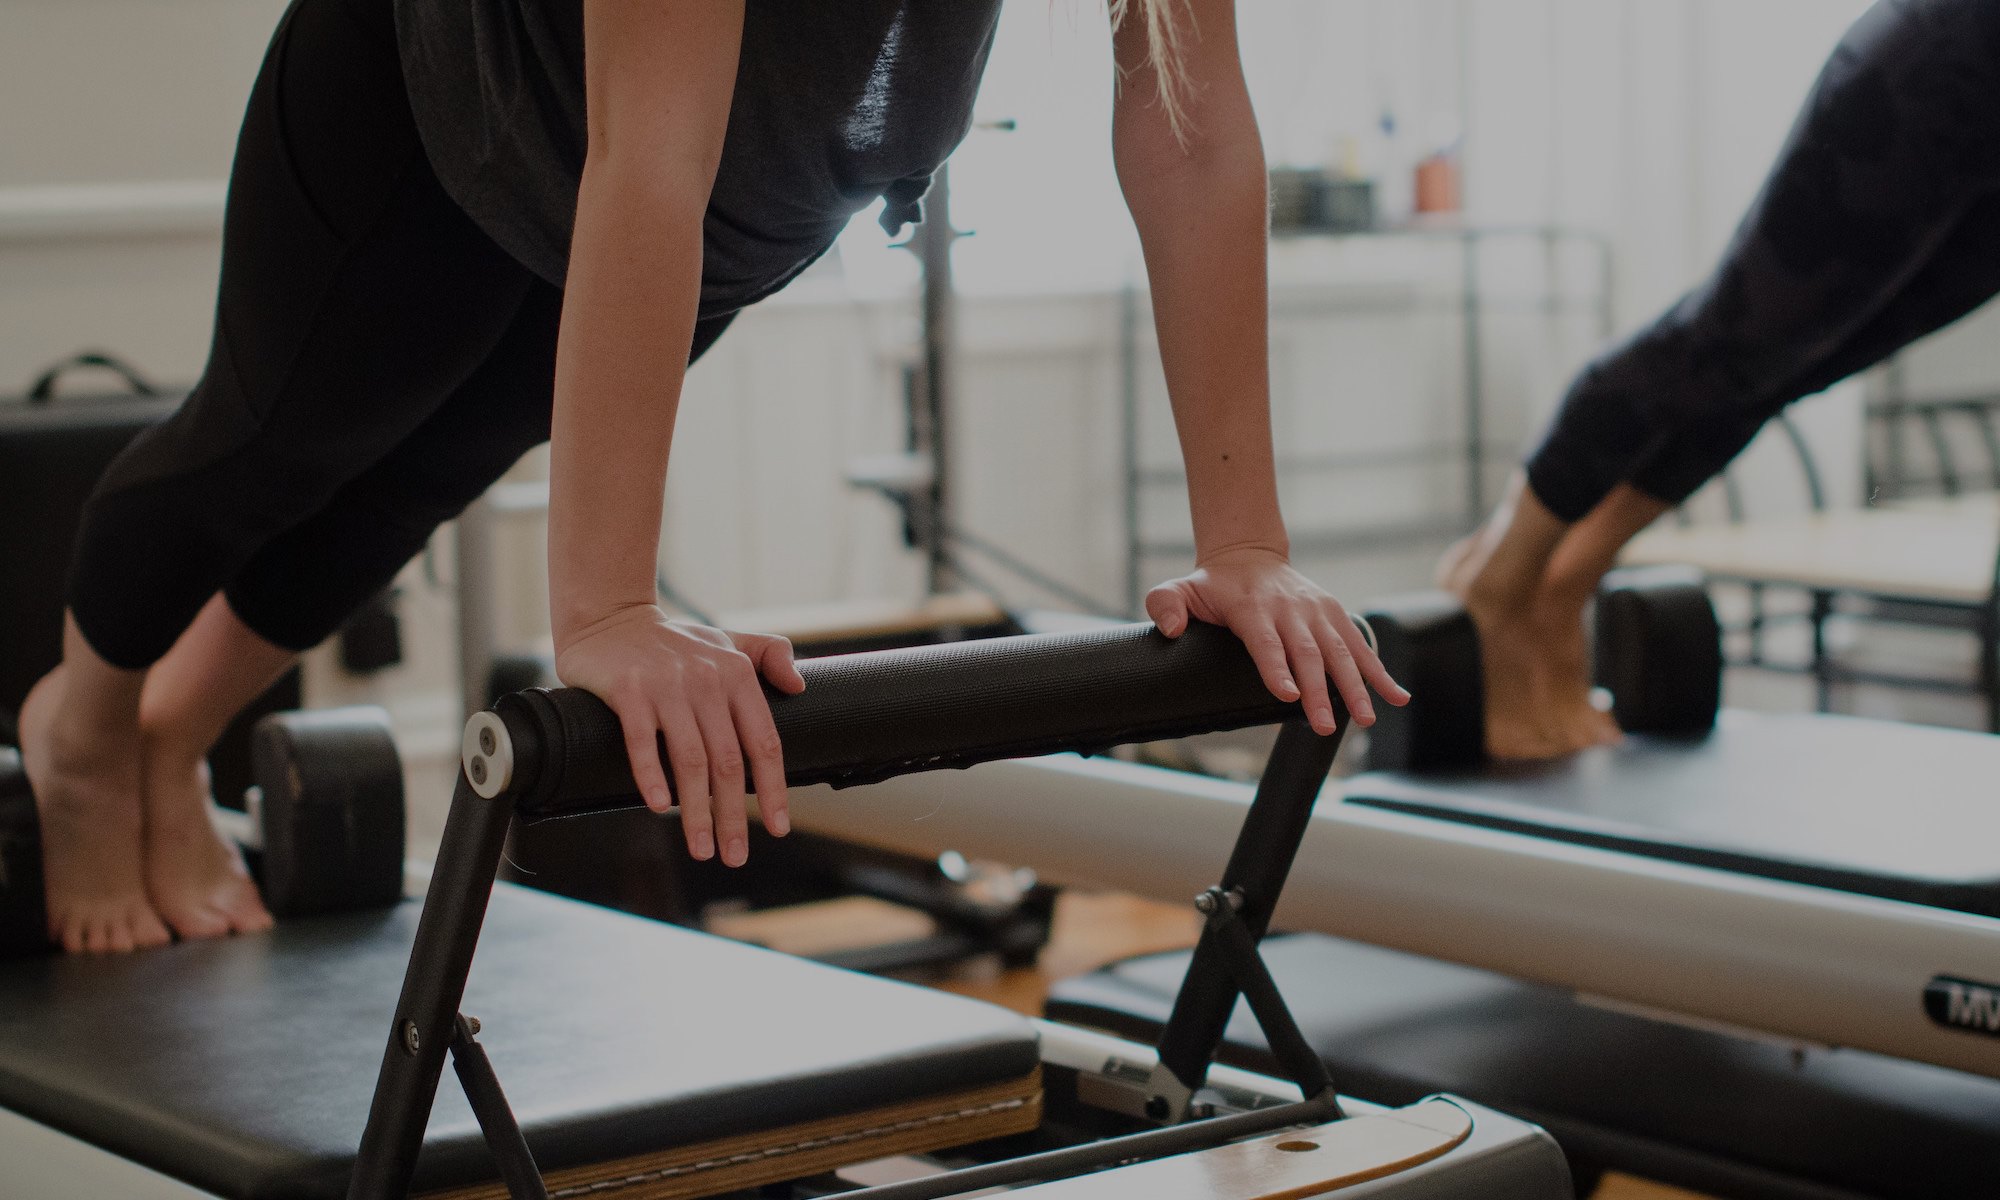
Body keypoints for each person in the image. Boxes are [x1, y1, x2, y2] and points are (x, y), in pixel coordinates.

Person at [19, 0, 1406, 954]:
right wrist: (609, 611)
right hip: (445, 114)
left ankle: (172, 738)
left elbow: (1188, 117)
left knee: (413, 482)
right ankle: (84, 732)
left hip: (743, 200)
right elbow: (652, 143)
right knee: (280, 444)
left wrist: (1248, 543)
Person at [1441, 0, 2000, 760]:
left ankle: (1565, 583)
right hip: (1960, 54)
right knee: (1726, 338)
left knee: (1794, 366)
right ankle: (1495, 584)